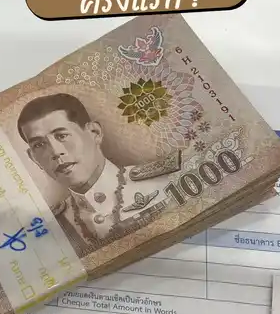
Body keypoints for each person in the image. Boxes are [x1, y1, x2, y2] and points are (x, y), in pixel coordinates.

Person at [16, 93, 180, 255]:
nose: (55, 152)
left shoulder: (167, 181)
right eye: (39, 145)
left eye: (62, 136)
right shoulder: (54, 229)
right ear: (34, 158)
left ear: (95, 132)